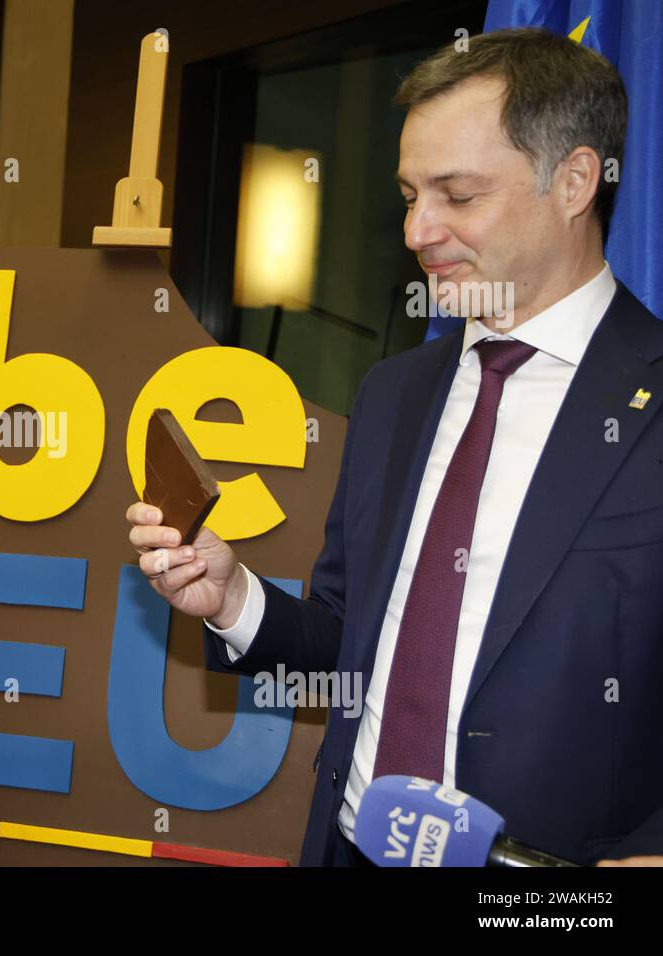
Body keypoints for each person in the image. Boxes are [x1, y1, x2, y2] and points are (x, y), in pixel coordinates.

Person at [128, 28, 662, 866]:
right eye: (410, 194)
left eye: (457, 193)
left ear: (576, 180)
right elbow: (351, 636)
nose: (418, 230)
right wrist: (233, 601)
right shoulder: (394, 394)